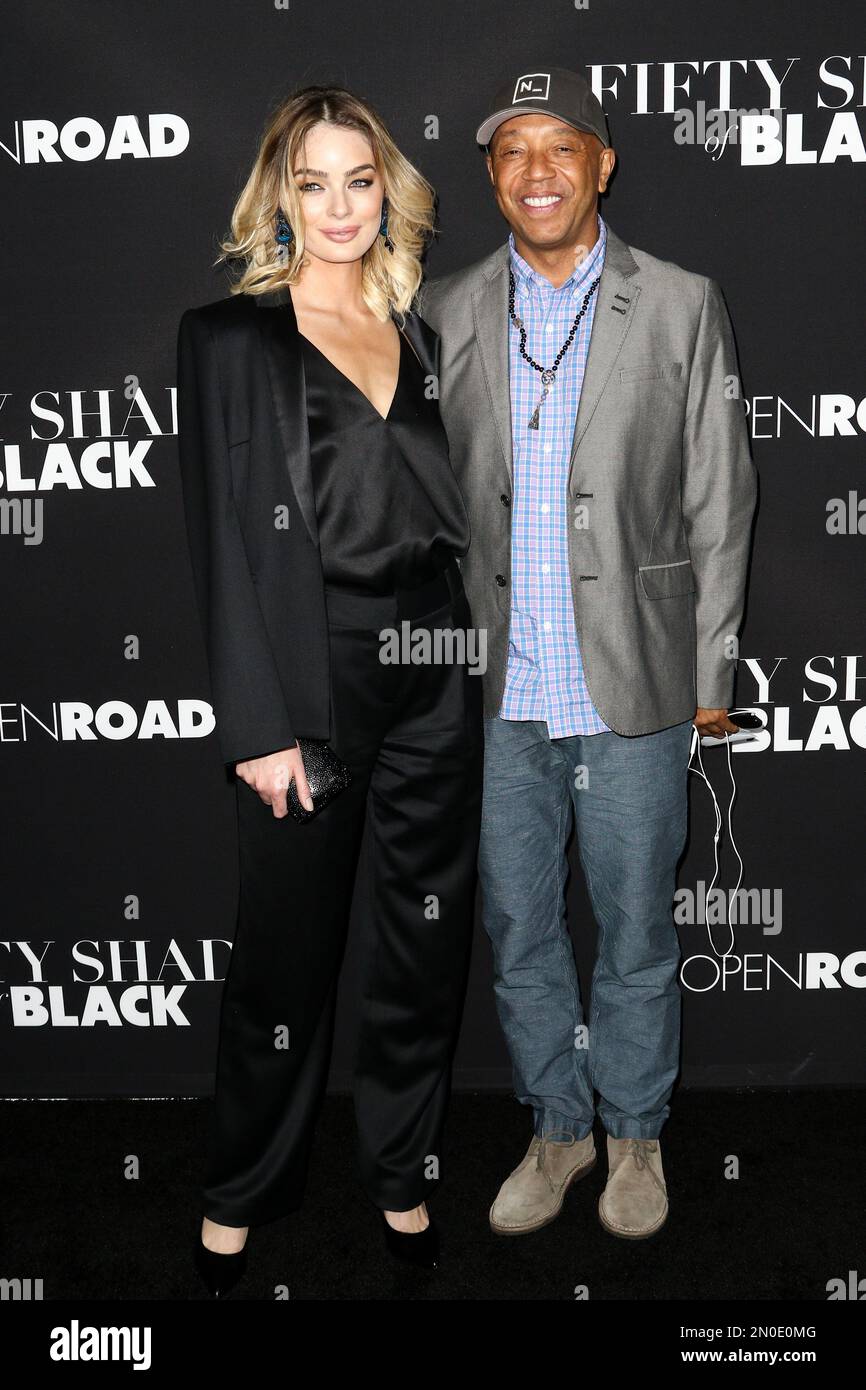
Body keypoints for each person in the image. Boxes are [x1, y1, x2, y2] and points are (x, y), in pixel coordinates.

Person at [418, 66, 757, 1240]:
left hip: (640, 685)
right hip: (501, 693)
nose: (538, 171)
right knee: (516, 931)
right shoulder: (445, 308)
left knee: (634, 930)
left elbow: (719, 497)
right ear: (491, 177)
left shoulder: (677, 301)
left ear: (602, 162)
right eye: (512, 151)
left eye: (561, 146)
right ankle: (556, 1129)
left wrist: (711, 680)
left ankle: (634, 1138)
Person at [176, 85, 483, 1295]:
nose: (341, 204)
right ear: (280, 196)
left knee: (422, 946)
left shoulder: (426, 335)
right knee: (282, 961)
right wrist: (258, 724)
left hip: (433, 671)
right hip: (309, 679)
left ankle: (401, 1168)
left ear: (387, 191)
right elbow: (217, 544)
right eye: (314, 181)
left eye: (361, 179)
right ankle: (243, 1184)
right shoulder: (229, 338)